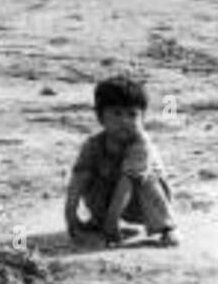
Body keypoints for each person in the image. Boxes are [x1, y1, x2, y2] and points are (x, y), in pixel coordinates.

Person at [65, 75, 178, 247]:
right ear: (100, 117)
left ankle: (166, 228)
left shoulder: (141, 144)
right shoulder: (93, 144)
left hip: (143, 203)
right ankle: (99, 220)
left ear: (142, 119)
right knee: (88, 176)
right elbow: (77, 180)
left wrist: (112, 222)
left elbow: (127, 183)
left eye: (132, 115)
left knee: (145, 179)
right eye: (116, 114)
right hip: (112, 197)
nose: (124, 121)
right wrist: (71, 215)